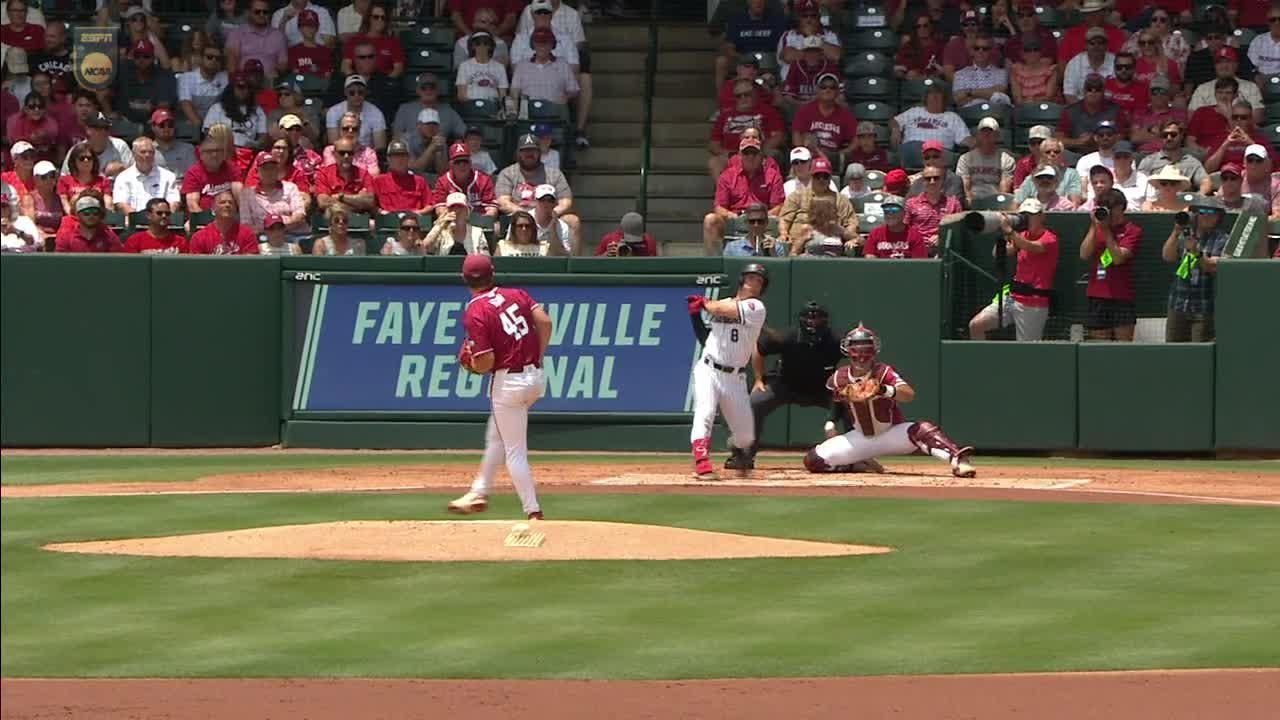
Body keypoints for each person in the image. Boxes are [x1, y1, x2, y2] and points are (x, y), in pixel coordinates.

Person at [448, 254, 552, 519]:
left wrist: (470, 364)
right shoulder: (515, 293)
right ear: (492, 273)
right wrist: (537, 356)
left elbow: (487, 362)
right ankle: (478, 491)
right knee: (497, 435)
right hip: (536, 377)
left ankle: (533, 511)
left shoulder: (475, 309)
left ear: (464, 279)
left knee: (514, 452)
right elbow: (545, 322)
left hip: (509, 384)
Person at [803, 323, 976, 478]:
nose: (862, 358)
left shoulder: (883, 372)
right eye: (857, 352)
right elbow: (835, 406)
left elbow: (908, 394)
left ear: (873, 352)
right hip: (861, 437)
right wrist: (832, 421)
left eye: (866, 352)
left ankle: (958, 459)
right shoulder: (839, 377)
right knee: (814, 460)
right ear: (849, 352)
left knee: (923, 429)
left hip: (891, 433)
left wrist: (883, 389)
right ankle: (855, 463)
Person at [723, 301, 858, 471]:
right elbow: (758, 348)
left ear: (826, 321)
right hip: (785, 384)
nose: (813, 324)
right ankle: (743, 455)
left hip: (824, 388)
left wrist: (849, 383)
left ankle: (857, 457)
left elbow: (856, 356)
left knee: (853, 403)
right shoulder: (787, 336)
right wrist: (758, 379)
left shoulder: (836, 340)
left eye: (817, 320)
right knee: (755, 402)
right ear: (801, 321)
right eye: (809, 319)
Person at [685, 264, 768, 480]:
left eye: (759, 280)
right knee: (705, 412)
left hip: (735, 377)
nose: (754, 281)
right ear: (742, 279)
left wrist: (704, 303)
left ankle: (737, 448)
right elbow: (707, 339)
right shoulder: (719, 304)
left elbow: (722, 310)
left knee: (745, 437)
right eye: (751, 277)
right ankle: (702, 462)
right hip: (708, 368)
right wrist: (695, 315)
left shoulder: (756, 307)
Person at [968, 198, 1059, 341]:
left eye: (1031, 215)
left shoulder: (1050, 238)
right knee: (976, 325)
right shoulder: (1020, 235)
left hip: (1033, 303)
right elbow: (997, 253)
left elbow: (1031, 247)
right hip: (1011, 298)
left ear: (1042, 216)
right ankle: (982, 362)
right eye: (1024, 215)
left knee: (1027, 351)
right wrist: (1003, 233)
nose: (1027, 219)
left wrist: (1010, 231)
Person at [704, 135, 785, 255]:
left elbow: (779, 206)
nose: (750, 157)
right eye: (746, 153)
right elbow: (719, 207)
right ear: (739, 156)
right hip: (735, 220)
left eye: (754, 153)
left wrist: (760, 216)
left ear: (761, 156)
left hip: (763, 220)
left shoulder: (772, 175)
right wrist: (733, 215)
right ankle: (714, 264)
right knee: (710, 220)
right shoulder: (727, 175)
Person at [1163, 196, 1229, 343]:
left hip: (1203, 306)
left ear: (1219, 217)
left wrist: (1196, 253)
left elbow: (1212, 267)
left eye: (1211, 212)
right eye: (1202, 211)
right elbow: (1168, 256)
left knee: (1200, 353)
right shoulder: (1185, 234)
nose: (1206, 215)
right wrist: (1176, 232)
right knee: (1174, 350)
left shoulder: (1222, 239)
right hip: (1178, 303)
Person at [494, 133, 579, 245]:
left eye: (533, 150)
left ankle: (573, 262)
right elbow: (503, 202)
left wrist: (549, 213)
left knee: (573, 221)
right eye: (525, 151)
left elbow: (566, 202)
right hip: (519, 217)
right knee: (495, 227)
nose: (529, 154)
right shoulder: (508, 173)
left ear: (539, 152)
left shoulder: (554, 174)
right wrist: (528, 215)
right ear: (518, 153)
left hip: (549, 216)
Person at [1080, 188, 1141, 342]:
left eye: (1113, 208)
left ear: (1122, 208)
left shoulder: (1132, 230)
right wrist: (1094, 227)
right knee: (1099, 347)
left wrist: (1107, 231)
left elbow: (1118, 258)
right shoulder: (1097, 229)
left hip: (1121, 296)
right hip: (1097, 294)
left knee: (1123, 347)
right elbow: (1084, 254)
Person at [709, 78, 786, 179]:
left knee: (771, 156)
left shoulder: (768, 111)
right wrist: (726, 153)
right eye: (739, 96)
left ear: (755, 94)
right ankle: (725, 193)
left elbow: (778, 136)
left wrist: (759, 150)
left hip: (759, 152)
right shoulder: (725, 115)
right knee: (715, 162)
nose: (743, 98)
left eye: (747, 94)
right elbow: (714, 143)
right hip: (732, 154)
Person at [716, 0, 788, 91]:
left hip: (770, 59)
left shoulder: (776, 19)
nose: (758, 3)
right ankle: (723, 100)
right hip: (743, 58)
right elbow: (729, 46)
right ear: (748, 2)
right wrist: (741, 58)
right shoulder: (737, 20)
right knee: (721, 61)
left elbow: (784, 44)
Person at [791, 72, 858, 168]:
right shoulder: (805, 111)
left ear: (837, 92)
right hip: (809, 157)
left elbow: (856, 140)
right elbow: (796, 137)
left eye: (832, 87)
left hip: (833, 157)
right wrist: (803, 152)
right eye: (823, 87)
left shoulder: (845, 115)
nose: (828, 90)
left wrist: (841, 154)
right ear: (817, 90)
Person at [1187, 47, 1262, 122]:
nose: (1224, 66)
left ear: (1236, 64)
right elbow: (1192, 118)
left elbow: (1257, 118)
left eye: (1228, 62)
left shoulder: (1251, 87)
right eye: (1219, 62)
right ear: (1215, 66)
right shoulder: (1202, 88)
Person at [890, 84, 972, 151]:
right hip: (911, 151)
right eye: (932, 94)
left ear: (944, 100)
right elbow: (894, 121)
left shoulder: (952, 117)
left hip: (938, 154)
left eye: (938, 95)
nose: (935, 97)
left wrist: (976, 143)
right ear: (926, 99)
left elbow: (965, 138)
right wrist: (895, 129)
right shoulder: (914, 111)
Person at [239, 151, 306, 233]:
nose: (269, 172)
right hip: (261, 237)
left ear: (278, 170)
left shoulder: (290, 187)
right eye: (265, 169)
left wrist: (277, 229)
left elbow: (299, 215)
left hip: (291, 233)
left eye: (272, 168)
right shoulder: (247, 194)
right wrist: (271, 231)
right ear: (257, 172)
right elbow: (246, 224)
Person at [1059, 75, 1128, 155]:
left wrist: (1099, 141)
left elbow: (1121, 137)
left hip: (1108, 154)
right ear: (1083, 91)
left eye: (1097, 89)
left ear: (1103, 91)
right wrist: (1078, 142)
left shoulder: (1115, 110)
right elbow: (1059, 139)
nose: (1093, 92)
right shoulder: (1070, 111)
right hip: (1076, 154)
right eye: (1089, 89)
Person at [392, 72, 465, 146]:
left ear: (438, 90)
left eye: (432, 88)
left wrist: (458, 141)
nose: (428, 91)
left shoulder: (448, 111)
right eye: (424, 88)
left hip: (439, 152)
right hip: (411, 154)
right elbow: (396, 137)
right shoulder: (405, 109)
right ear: (418, 90)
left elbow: (463, 133)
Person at [1204, 103, 1277, 172]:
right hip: (1225, 177)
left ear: (1250, 120)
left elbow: (1269, 168)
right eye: (1235, 117)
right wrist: (1225, 145)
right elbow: (1208, 169)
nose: (1238, 121)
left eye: (1243, 117)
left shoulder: (1260, 140)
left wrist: (1251, 144)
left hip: (1250, 176)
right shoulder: (1221, 139)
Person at [906, 163, 963, 252]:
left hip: (944, 251)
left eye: (936, 178)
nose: (932, 182)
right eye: (928, 179)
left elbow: (959, 230)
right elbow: (905, 229)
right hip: (917, 250)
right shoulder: (911, 203)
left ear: (942, 181)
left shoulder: (954, 204)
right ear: (923, 182)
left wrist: (942, 237)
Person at [225, 0, 288, 81]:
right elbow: (231, 63)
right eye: (257, 12)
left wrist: (277, 71)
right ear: (249, 13)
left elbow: (283, 63)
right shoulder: (237, 33)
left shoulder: (278, 35)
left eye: (265, 12)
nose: (261, 15)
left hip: (269, 81)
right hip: (244, 82)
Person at [113, 137, 179, 214]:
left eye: (151, 152)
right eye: (143, 152)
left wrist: (162, 217)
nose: (147, 155)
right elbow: (121, 204)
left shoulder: (168, 177)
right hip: (134, 222)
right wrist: (138, 218)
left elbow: (174, 203)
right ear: (134, 154)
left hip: (161, 223)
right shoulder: (123, 177)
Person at [956, 118, 1015, 204]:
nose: (986, 134)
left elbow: (1004, 190)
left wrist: (997, 205)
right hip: (972, 201)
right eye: (983, 131)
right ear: (977, 135)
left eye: (990, 131)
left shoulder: (1007, 160)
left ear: (997, 135)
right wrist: (970, 204)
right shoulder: (965, 158)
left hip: (995, 202)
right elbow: (965, 187)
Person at [203, 73, 267, 150]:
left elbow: (263, 135)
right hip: (223, 149)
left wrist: (256, 144)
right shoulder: (217, 108)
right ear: (231, 88)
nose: (245, 91)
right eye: (241, 87)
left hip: (248, 150)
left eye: (248, 87)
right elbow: (207, 132)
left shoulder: (257, 110)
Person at [1138, 121, 1207, 192]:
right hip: (1156, 199)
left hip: (1182, 200)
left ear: (1181, 136)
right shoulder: (1148, 161)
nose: (1169, 138)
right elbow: (1140, 184)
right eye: (1165, 135)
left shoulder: (1192, 162)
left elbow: (1205, 182)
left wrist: (1198, 197)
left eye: (1173, 134)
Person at [434, 142, 498, 218]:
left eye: (465, 161)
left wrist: (487, 217)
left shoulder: (484, 180)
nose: (462, 165)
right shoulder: (443, 181)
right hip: (452, 222)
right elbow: (440, 208)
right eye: (457, 162)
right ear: (451, 164)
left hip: (479, 222)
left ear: (470, 163)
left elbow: (491, 207)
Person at [62, 111, 133, 178]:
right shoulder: (77, 150)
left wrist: (122, 169)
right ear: (87, 129)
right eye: (98, 129)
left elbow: (134, 174)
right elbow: (64, 177)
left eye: (106, 128)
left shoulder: (120, 146)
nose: (103, 132)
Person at [326, 75, 387, 151]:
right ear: (345, 92)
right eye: (352, 93)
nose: (356, 95)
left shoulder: (376, 113)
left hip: (367, 155)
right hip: (341, 153)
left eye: (360, 92)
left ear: (366, 93)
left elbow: (380, 146)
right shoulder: (333, 111)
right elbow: (333, 143)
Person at [340, 4, 403, 78]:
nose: (380, 20)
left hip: (384, 82)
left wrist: (387, 82)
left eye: (383, 18)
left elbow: (398, 68)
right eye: (376, 17)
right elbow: (345, 66)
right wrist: (356, 81)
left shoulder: (393, 42)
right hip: (359, 83)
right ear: (369, 19)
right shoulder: (354, 41)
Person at [372, 139, 434, 214]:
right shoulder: (379, 181)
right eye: (395, 156)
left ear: (408, 158)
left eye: (403, 155)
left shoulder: (419, 181)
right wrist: (381, 212)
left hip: (414, 222)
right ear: (388, 159)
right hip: (388, 221)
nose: (399, 159)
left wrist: (419, 213)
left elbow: (430, 205)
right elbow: (371, 204)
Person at [315, 137, 375, 213]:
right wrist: (357, 201)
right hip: (331, 220)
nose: (346, 156)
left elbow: (370, 201)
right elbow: (323, 202)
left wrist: (341, 197)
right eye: (342, 153)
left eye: (350, 153)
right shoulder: (323, 173)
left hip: (358, 220)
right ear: (334, 154)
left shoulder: (364, 174)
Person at [182, 137, 242, 212]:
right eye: (209, 151)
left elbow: (241, 198)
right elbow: (192, 205)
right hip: (203, 218)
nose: (214, 155)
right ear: (201, 154)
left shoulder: (232, 168)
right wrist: (207, 220)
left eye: (218, 151)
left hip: (230, 217)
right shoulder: (193, 173)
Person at [189, 190, 259, 254]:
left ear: (236, 208)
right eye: (222, 202)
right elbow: (196, 265)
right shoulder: (199, 237)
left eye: (231, 203)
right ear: (213, 208)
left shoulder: (247, 234)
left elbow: (250, 264)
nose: (227, 205)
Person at [952, 33, 1011, 107]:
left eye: (985, 49)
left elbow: (1000, 93)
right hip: (969, 114)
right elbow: (958, 99)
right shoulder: (960, 74)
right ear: (971, 51)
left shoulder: (1001, 73)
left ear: (991, 51)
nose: (980, 51)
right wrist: (989, 92)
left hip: (994, 112)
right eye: (977, 48)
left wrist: (969, 92)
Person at [178, 42, 228, 127]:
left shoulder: (225, 77)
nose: (214, 61)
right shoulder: (186, 78)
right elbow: (186, 104)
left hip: (218, 126)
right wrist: (201, 127)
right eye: (209, 57)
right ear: (200, 59)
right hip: (194, 126)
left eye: (218, 58)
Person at [1130, 76, 1185, 153]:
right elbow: (1135, 138)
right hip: (1143, 155)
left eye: (1162, 91)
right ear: (1149, 94)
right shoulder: (1140, 113)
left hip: (1168, 154)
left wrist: (1148, 132)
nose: (1158, 95)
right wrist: (1161, 132)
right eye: (1154, 92)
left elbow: (1176, 138)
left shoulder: (1178, 114)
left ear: (1169, 94)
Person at [54, 191, 123, 252]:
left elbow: (118, 261)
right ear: (77, 214)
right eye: (86, 213)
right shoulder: (67, 234)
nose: (91, 216)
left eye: (95, 212)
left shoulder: (109, 236)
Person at [425, 191, 489, 255]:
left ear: (467, 212)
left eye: (460, 207)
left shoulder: (477, 233)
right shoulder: (440, 232)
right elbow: (425, 248)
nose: (456, 211)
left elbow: (485, 259)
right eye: (452, 207)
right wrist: (440, 225)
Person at [1063, 29, 1117, 105]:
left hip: (1109, 108)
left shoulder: (1115, 61)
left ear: (1106, 45)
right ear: (1085, 45)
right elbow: (1069, 95)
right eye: (1092, 43)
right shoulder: (1074, 63)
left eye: (1100, 43)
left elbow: (1119, 92)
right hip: (1080, 109)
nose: (1096, 46)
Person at [58, 141, 114, 213]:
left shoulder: (103, 181)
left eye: (89, 158)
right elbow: (65, 204)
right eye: (82, 158)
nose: (86, 161)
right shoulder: (64, 181)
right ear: (74, 161)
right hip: (73, 218)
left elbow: (108, 202)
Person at [906, 140, 965, 205]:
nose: (931, 161)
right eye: (927, 158)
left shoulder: (954, 180)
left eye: (935, 156)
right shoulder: (917, 183)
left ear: (943, 158)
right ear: (923, 161)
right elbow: (907, 206)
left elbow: (954, 204)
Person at [455, 30, 507, 103]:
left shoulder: (499, 67)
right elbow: (461, 94)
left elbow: (502, 94)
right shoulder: (464, 66)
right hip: (471, 106)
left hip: (492, 105)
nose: (482, 47)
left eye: (486, 44)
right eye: (478, 44)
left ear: (490, 46)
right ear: (472, 46)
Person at [324, 111, 381, 177]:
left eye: (354, 129)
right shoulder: (330, 150)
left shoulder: (369, 153)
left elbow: (374, 175)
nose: (350, 131)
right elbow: (332, 173)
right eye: (346, 128)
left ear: (359, 131)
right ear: (339, 130)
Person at [123, 197, 188, 254]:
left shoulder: (180, 241)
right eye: (159, 213)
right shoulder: (135, 241)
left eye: (167, 213)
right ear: (149, 215)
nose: (164, 216)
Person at [894, 11, 945, 81]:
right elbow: (898, 70)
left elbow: (944, 70)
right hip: (910, 84)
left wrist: (927, 77)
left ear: (932, 26)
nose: (922, 29)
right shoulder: (907, 47)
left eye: (925, 25)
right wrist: (905, 76)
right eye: (918, 26)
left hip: (934, 83)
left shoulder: (941, 46)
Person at [20, 160, 62, 241]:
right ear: (35, 179)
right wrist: (43, 236)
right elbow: (30, 225)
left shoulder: (61, 198)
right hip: (38, 238)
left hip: (58, 238)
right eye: (44, 177)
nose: (49, 180)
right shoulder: (29, 199)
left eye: (52, 175)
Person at [1010, 36, 1058, 104]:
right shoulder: (1015, 70)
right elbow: (1017, 98)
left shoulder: (1051, 70)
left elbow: (1049, 96)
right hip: (1023, 108)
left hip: (1046, 108)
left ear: (1041, 52)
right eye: (1027, 50)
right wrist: (1028, 103)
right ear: (1021, 53)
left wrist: (1032, 101)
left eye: (1036, 49)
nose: (1032, 53)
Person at [287, 10, 335, 77]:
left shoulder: (325, 51)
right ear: (300, 28)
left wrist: (306, 70)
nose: (310, 29)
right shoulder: (293, 51)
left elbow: (327, 75)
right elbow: (295, 74)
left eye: (313, 26)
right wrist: (315, 70)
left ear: (317, 28)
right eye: (306, 25)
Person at [406, 108, 448, 175]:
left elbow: (442, 172)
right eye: (427, 124)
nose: (431, 127)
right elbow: (414, 169)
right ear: (419, 125)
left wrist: (438, 152)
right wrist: (431, 148)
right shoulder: (409, 140)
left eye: (434, 124)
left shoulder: (440, 141)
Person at [1246, 8, 1280, 81]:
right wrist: (1257, 76)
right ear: (1268, 22)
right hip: (1260, 79)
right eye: (1272, 20)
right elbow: (1252, 65)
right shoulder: (1258, 40)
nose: (1277, 23)